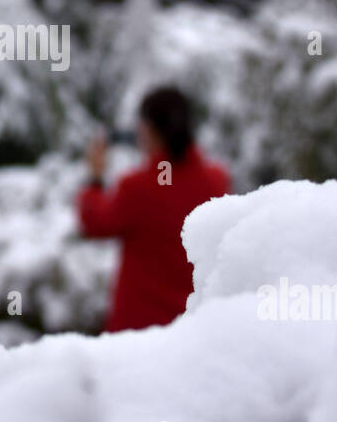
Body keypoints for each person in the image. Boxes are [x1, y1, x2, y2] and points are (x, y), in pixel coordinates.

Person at [78, 86, 230, 332]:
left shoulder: (137, 187)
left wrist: (95, 178)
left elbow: (95, 223)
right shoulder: (217, 180)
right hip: (194, 327)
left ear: (150, 130)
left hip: (138, 331)